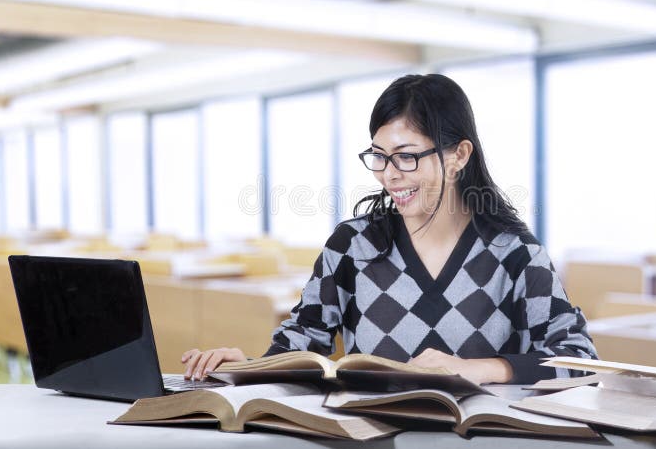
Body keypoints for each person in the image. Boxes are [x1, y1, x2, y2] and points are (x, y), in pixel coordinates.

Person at [183, 74, 598, 384]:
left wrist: (477, 369)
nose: (389, 175)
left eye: (406, 157)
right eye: (379, 156)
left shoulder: (516, 253)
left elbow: (580, 359)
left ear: (459, 155)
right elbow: (305, 340)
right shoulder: (352, 246)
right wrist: (251, 365)